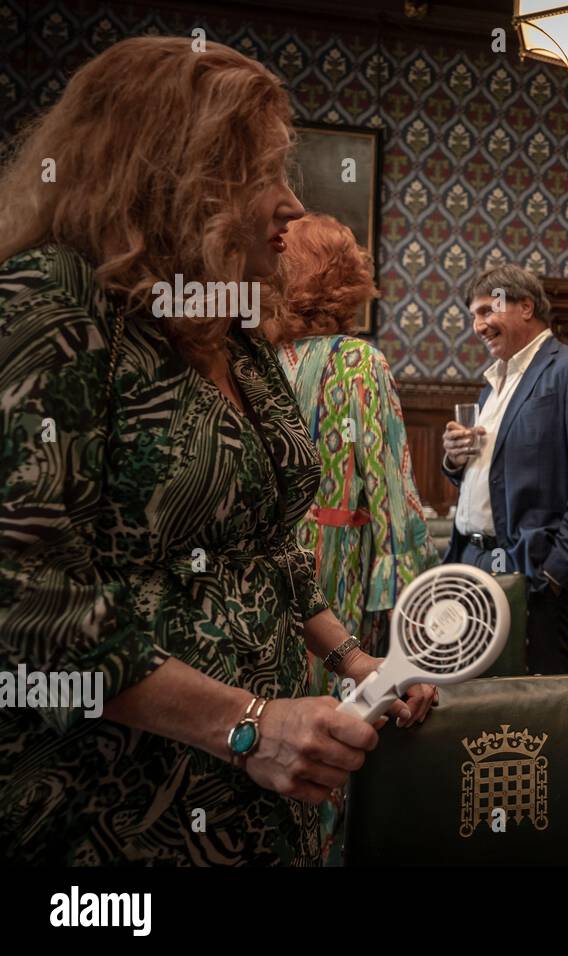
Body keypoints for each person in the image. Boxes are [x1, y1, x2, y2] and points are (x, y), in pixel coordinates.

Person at [0, 37, 434, 866]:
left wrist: (352, 658)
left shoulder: (227, 323)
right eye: (259, 173)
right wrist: (246, 723)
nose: (290, 207)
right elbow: (24, 600)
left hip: (253, 792)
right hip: (112, 806)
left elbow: (269, 543)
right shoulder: (50, 306)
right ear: (170, 173)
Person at [267, 211, 439, 863]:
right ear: (346, 279)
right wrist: (415, 637)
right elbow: (399, 508)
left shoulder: (247, 360)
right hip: (332, 590)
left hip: (257, 589)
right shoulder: (358, 364)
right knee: (331, 743)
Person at [442, 265, 568, 674]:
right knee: (474, 693)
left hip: (531, 572)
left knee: (529, 709)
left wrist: (555, 575)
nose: (478, 326)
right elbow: (490, 473)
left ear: (525, 306)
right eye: (474, 315)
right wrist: (455, 459)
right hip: (471, 561)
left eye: (488, 310)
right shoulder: (493, 384)